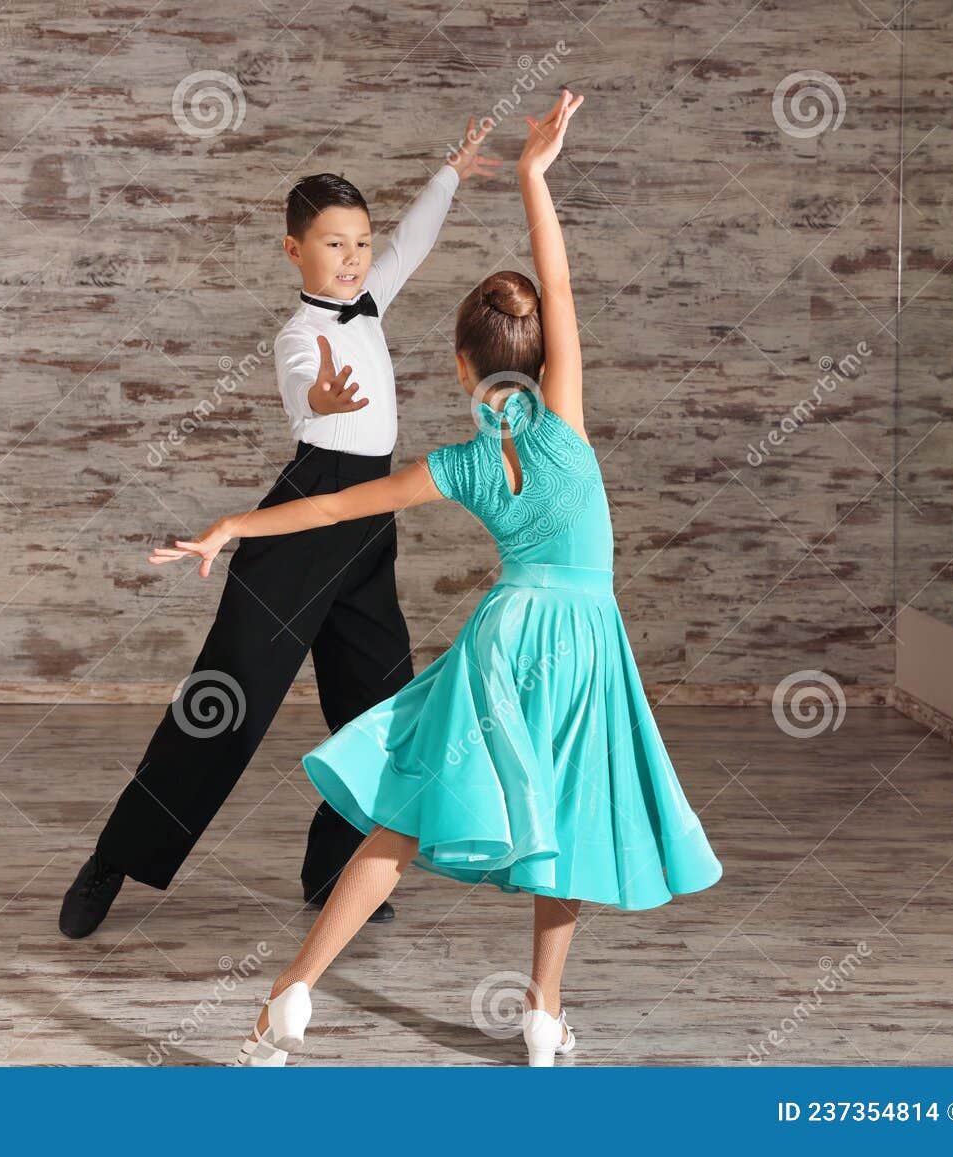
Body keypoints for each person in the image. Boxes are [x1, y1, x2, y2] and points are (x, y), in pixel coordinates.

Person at [148, 90, 723, 1067]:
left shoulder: (456, 465)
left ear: (461, 370)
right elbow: (561, 283)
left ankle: (288, 994)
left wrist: (234, 522)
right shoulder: (565, 422)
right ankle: (542, 1014)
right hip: (584, 640)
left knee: (402, 812)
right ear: (539, 360)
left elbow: (333, 506)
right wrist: (535, 175)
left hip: (503, 638)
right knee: (565, 818)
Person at [58, 117, 501, 940]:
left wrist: (448, 173)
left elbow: (414, 241)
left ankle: (333, 866)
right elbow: (305, 390)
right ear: (295, 251)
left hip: (369, 517)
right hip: (304, 515)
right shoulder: (298, 336)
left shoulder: (371, 299)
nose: (355, 257)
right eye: (335, 245)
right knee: (225, 701)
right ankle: (115, 856)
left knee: (381, 706)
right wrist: (321, 404)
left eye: (360, 242)